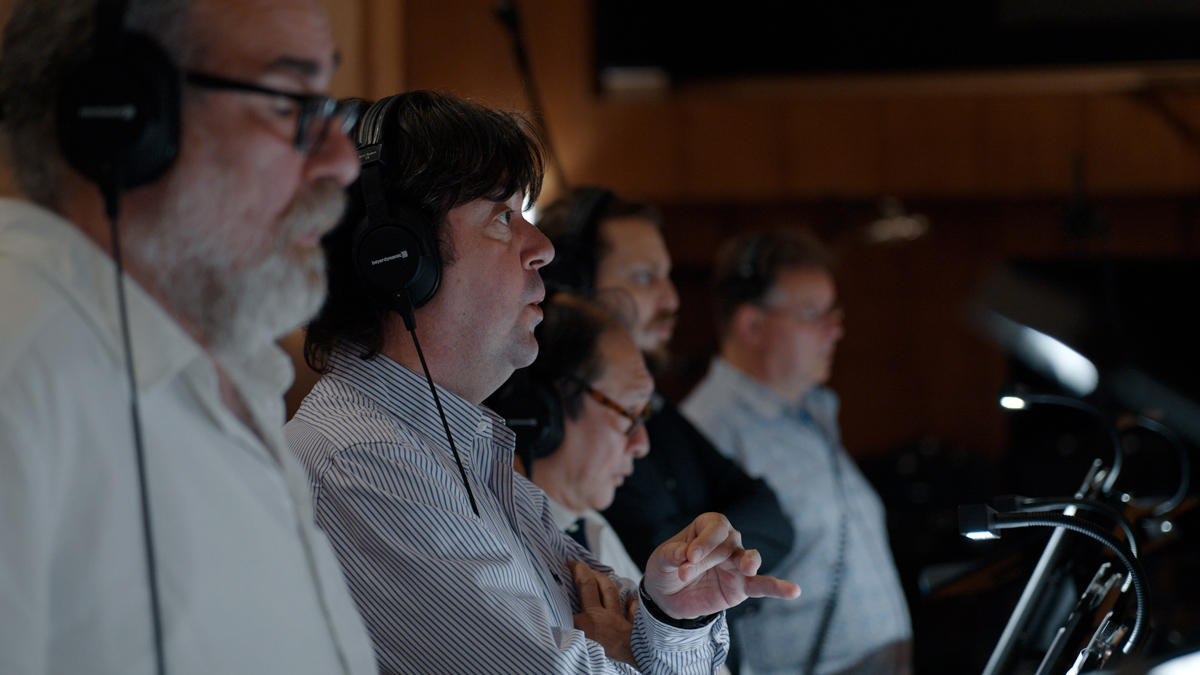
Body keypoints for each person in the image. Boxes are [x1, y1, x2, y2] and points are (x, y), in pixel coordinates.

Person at [285, 90, 799, 674]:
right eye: (504, 218)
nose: (543, 250)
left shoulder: (464, 448)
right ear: (400, 260)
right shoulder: (369, 463)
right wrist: (626, 651)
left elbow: (624, 651)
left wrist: (673, 617)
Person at [0, 0, 377, 673]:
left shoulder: (239, 377)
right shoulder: (21, 364)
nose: (344, 161)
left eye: (328, 106)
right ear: (121, 115)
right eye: (290, 103)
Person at [682, 229, 912, 675]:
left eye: (834, 311)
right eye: (813, 314)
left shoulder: (808, 409)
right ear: (752, 325)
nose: (836, 329)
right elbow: (706, 604)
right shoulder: (708, 430)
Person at [536, 188, 794, 575]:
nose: (671, 299)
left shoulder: (656, 407)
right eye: (644, 277)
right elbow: (655, 559)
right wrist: (708, 539)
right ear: (575, 286)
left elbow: (770, 514)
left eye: (667, 277)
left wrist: (698, 546)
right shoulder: (566, 421)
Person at [485, 292, 652, 582]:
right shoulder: (491, 548)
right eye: (629, 413)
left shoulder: (590, 526)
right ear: (539, 413)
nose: (641, 445)